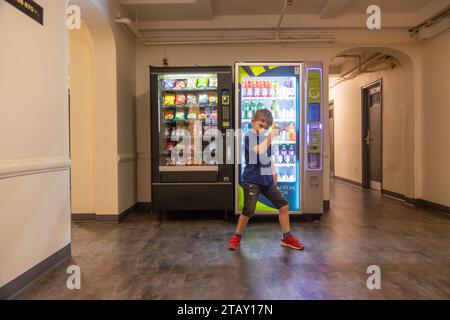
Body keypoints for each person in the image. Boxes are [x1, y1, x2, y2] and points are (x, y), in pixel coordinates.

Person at [228, 109, 304, 251]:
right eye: (261, 125)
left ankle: (287, 237)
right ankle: (236, 236)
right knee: (248, 211)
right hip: (252, 180)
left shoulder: (264, 138)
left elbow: (268, 157)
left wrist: (274, 177)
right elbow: (259, 150)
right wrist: (271, 136)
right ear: (252, 122)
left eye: (266, 127)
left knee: (284, 206)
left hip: (267, 180)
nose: (263, 129)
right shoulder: (248, 137)